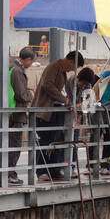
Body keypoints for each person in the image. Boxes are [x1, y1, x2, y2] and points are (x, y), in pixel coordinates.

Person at [34, 50, 82, 180]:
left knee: (54, 141)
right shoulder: (54, 67)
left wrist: (69, 101)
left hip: (55, 112)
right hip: (45, 111)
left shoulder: (62, 71)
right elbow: (47, 85)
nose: (72, 70)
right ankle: (41, 171)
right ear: (70, 61)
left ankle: (53, 170)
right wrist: (64, 99)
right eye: (73, 67)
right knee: (45, 140)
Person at [7, 47, 36, 183]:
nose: (30, 65)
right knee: (14, 145)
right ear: (27, 59)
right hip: (16, 113)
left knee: (11, 144)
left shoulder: (13, 68)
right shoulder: (18, 71)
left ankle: (9, 173)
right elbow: (20, 94)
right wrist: (30, 96)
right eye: (31, 61)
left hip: (12, 113)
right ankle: (10, 174)